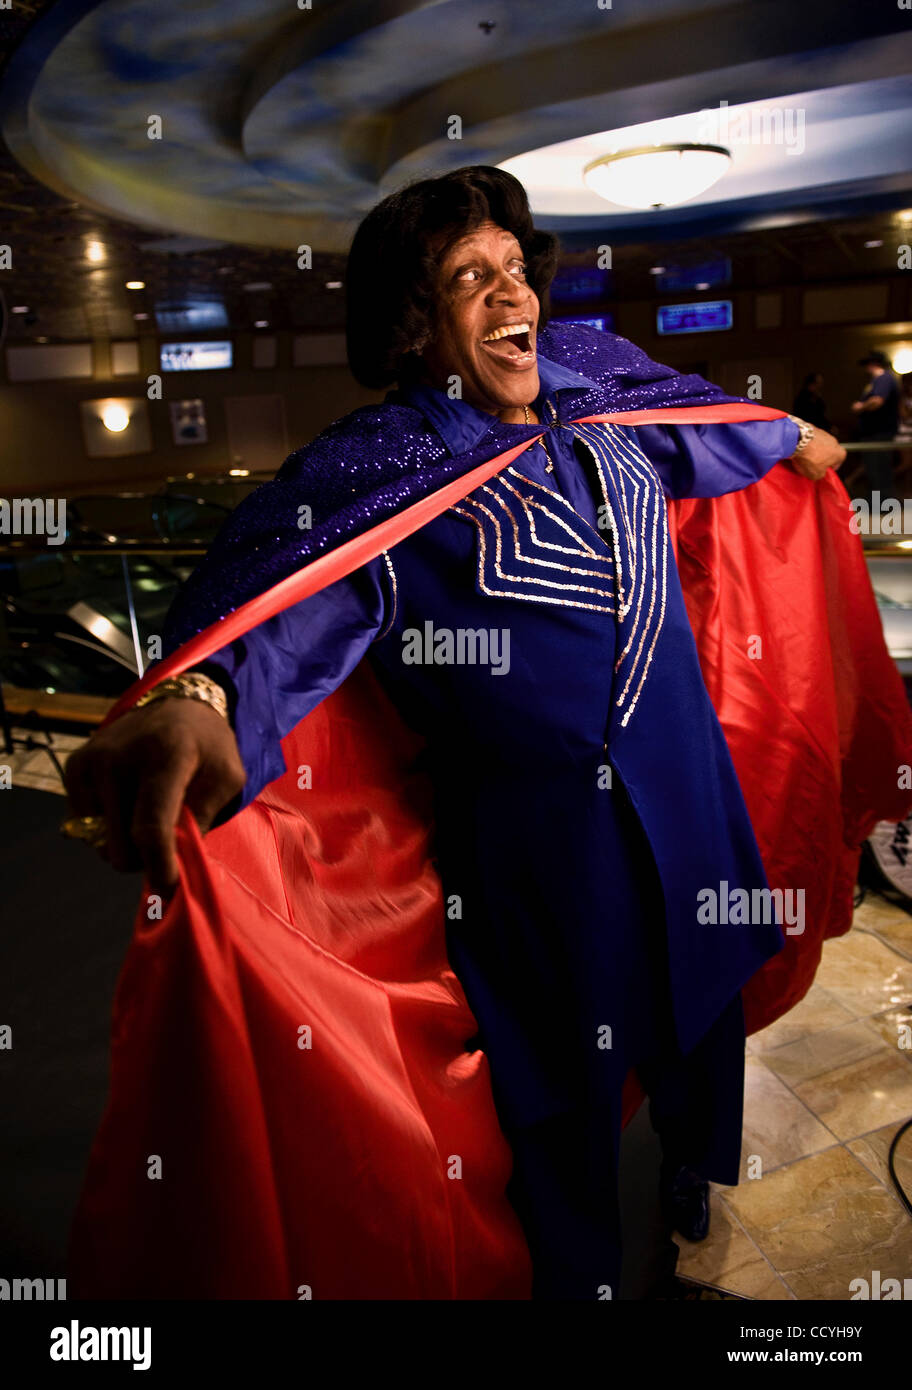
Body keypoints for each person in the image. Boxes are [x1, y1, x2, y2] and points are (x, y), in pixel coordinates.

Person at [64, 166, 848, 1300]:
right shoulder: (379, 475)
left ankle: (690, 1169)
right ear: (417, 325)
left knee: (701, 1019)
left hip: (689, 815)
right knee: (560, 1104)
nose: (509, 294)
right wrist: (204, 698)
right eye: (469, 279)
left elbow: (705, 429)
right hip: (537, 875)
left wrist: (794, 434)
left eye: (516, 271)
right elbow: (285, 606)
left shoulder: (602, 400)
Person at [852, 349, 900, 503]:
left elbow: (877, 401)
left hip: (879, 431)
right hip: (875, 431)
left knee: (878, 469)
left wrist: (860, 406)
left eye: (868, 364)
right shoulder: (879, 380)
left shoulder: (883, 378)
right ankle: (878, 502)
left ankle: (882, 503)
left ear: (874, 364)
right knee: (875, 468)